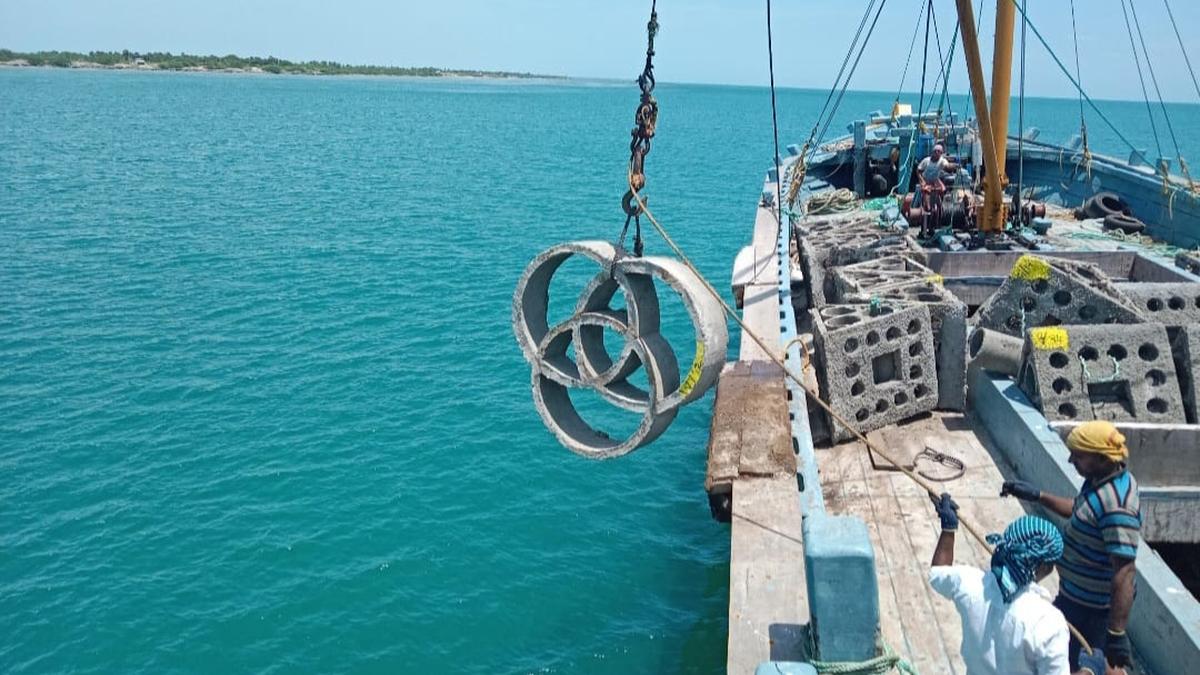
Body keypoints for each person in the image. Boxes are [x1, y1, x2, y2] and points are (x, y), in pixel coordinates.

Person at [1001, 420, 1140, 672]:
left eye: (1078, 456)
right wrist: (1037, 495)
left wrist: (1116, 633)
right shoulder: (1101, 480)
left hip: (1093, 610)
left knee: (1090, 665)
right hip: (1073, 597)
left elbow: (1125, 571)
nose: (1070, 461)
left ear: (1100, 457)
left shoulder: (1117, 507)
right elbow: (1079, 510)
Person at [928, 493, 1109, 675]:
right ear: (1045, 566)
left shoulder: (969, 583)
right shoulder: (1049, 623)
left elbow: (937, 572)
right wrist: (1089, 669)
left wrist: (948, 528)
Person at [916, 143, 956, 234]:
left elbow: (947, 166)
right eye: (935, 151)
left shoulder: (942, 161)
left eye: (939, 152)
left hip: (935, 180)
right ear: (932, 152)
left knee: (942, 192)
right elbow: (918, 171)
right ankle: (924, 227)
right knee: (928, 207)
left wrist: (955, 166)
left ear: (941, 153)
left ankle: (934, 225)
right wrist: (922, 181)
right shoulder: (926, 161)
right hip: (926, 181)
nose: (936, 153)